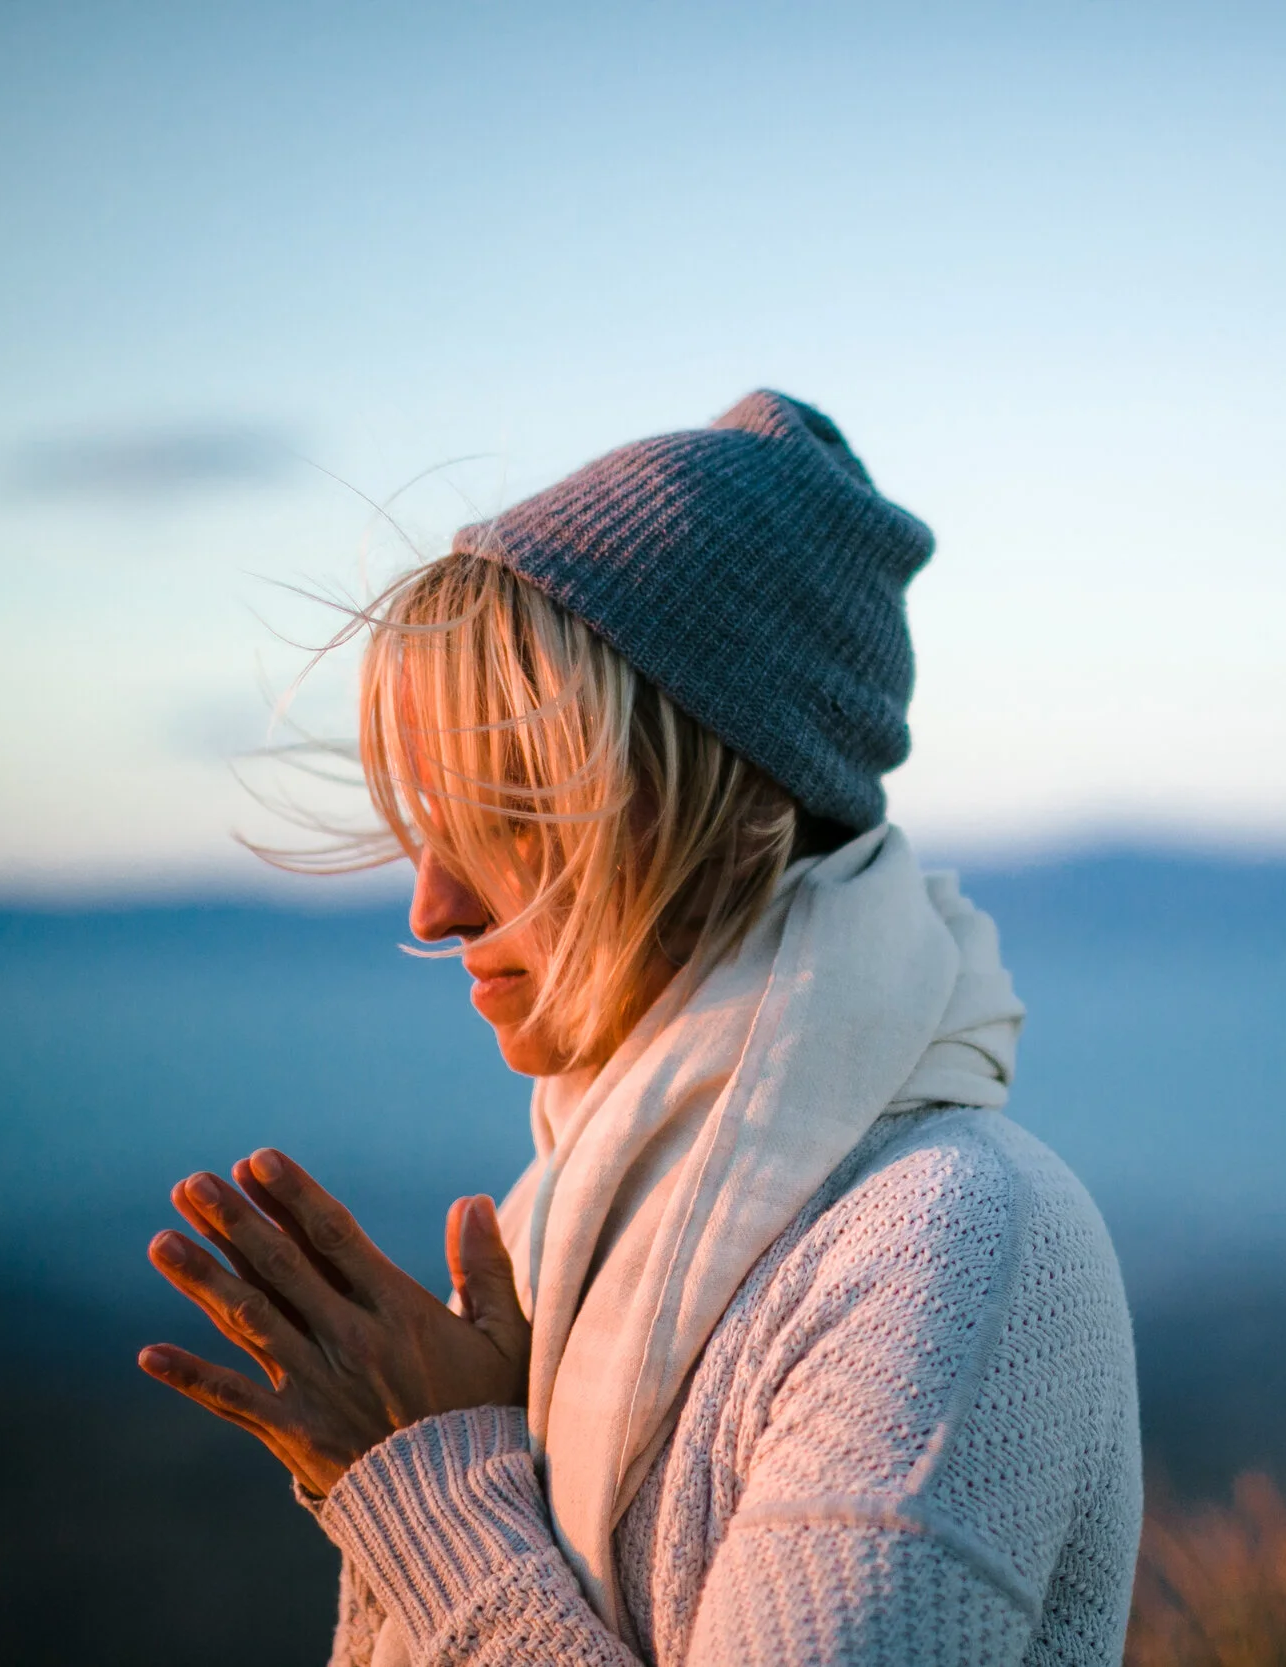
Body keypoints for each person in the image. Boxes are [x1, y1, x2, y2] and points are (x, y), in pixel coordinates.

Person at [137, 391, 1144, 1665]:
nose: (434, 907)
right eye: (425, 829)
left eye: (503, 815)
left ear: (716, 800)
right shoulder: (560, 1226)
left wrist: (430, 1494)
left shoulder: (953, 1241)